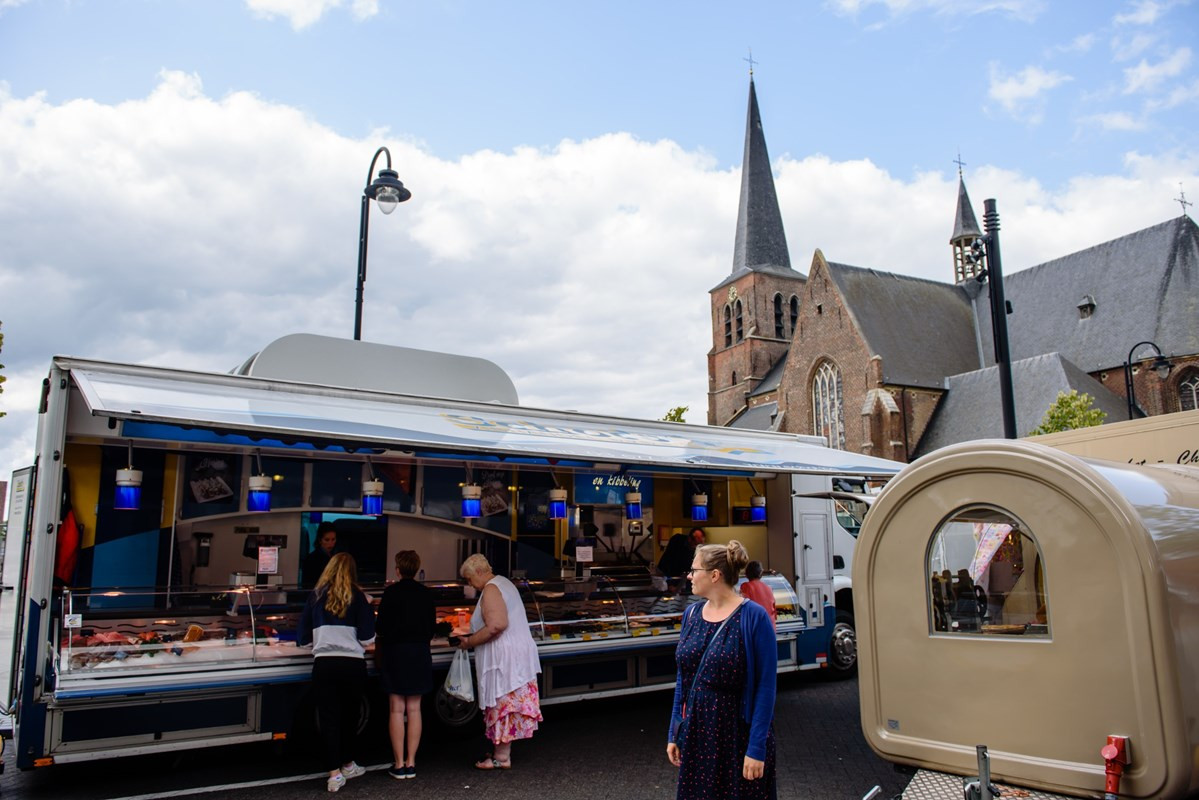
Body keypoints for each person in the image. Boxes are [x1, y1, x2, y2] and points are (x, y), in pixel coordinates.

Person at [666, 541, 777, 800]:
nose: (689, 576)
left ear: (715, 575)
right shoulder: (691, 615)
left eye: (694, 570)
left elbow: (766, 687)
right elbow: (683, 680)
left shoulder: (754, 617)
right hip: (697, 733)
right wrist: (674, 732)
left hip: (737, 735)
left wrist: (756, 748)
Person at [298, 553, 376, 793]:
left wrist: (322, 641)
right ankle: (348, 764)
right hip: (352, 665)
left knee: (328, 719)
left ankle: (334, 774)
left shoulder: (315, 596)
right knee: (350, 717)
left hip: (324, 665)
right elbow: (367, 638)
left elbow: (303, 639)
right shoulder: (359, 597)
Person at [457, 553, 542, 770]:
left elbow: (496, 624)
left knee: (504, 705)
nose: (469, 584)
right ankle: (501, 752)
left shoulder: (491, 589)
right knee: (506, 706)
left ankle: (502, 757)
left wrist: (469, 641)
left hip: (505, 661)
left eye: (469, 579)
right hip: (514, 657)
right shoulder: (503, 583)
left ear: (479, 572)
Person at [375, 550, 435, 780]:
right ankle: (412, 762)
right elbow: (432, 627)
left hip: (395, 652)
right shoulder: (425, 593)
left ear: (398, 570)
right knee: (414, 709)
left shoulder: (391, 593)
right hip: (419, 652)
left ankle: (398, 763)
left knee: (396, 709)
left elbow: (380, 627)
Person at [739, 561, 777, 629]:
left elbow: (743, 608)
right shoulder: (768, 588)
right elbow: (774, 611)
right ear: (760, 573)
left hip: (756, 628)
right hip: (770, 627)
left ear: (747, 573)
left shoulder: (746, 587)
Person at [302, 522, 338, 590]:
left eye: (333, 539)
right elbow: (308, 586)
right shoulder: (311, 560)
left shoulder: (337, 557)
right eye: (327, 540)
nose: (330, 543)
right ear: (320, 540)